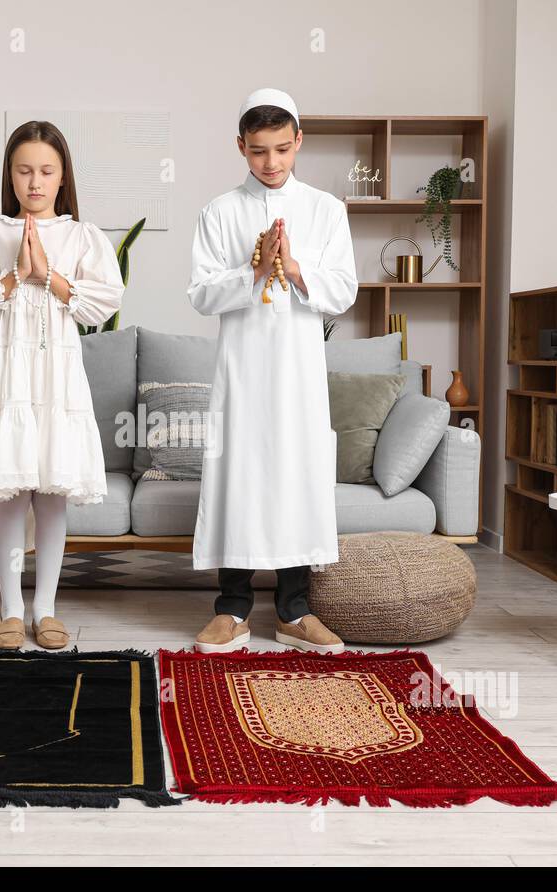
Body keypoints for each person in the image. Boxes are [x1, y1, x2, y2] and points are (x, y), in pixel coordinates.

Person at [185, 88, 358, 654]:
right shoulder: (218, 212)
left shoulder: (326, 210)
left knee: (296, 478)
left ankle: (293, 610)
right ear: (241, 146)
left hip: (298, 372)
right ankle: (232, 611)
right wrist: (252, 269)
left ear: (299, 141)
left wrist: (296, 269)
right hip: (242, 371)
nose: (272, 163)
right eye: (259, 151)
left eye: (282, 149)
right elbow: (202, 296)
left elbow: (344, 291)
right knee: (240, 476)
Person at [0, 120, 124, 650]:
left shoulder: (82, 236)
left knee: (51, 494)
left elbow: (101, 302)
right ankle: (10, 611)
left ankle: (46, 608)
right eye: (24, 171)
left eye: (46, 171)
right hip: (8, 375)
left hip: (57, 375)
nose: (35, 182)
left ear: (63, 177)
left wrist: (48, 275)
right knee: (12, 493)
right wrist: (16, 273)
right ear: (11, 175)